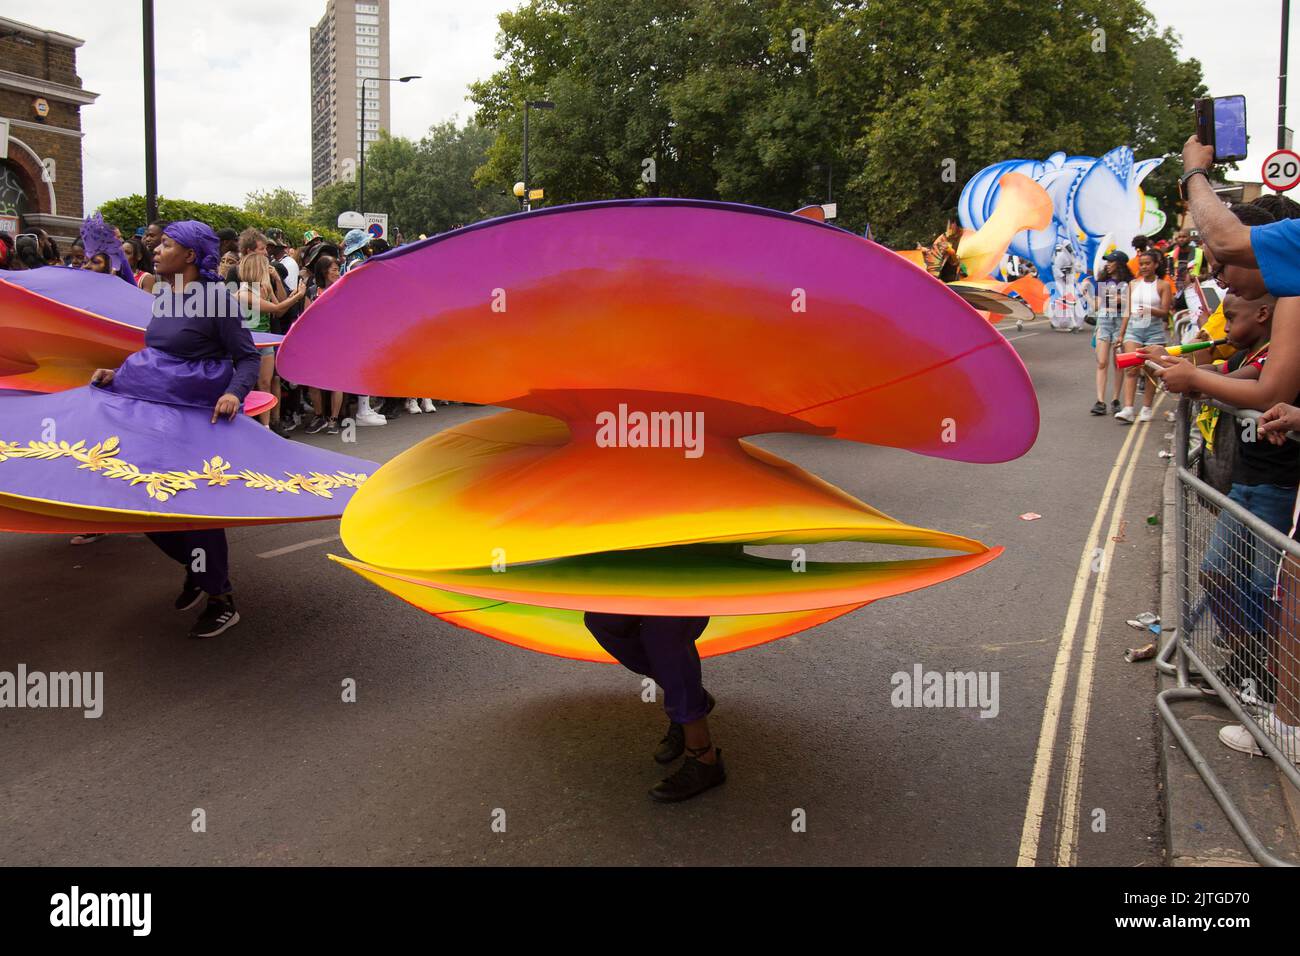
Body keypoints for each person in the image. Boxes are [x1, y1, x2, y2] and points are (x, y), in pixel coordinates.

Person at [89, 221, 260, 638]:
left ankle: (221, 598)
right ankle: (196, 566)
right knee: (139, 498)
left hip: (194, 418)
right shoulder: (164, 296)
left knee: (195, 507)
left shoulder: (217, 299)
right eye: (159, 243)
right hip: (149, 412)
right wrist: (118, 375)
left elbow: (248, 358)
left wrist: (235, 394)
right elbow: (159, 355)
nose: (157, 250)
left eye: (167, 245)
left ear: (189, 256)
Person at [1155, 294, 1294, 704]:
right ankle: (1248, 655)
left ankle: (1266, 670)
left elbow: (1248, 384)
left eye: (1231, 317)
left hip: (1279, 490)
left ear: (1264, 314)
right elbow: (1218, 370)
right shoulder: (1249, 352)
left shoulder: (1277, 356)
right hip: (1244, 485)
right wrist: (1169, 361)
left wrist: (1194, 378)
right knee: (1216, 573)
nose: (1225, 326)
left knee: (1265, 588)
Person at [583, 610, 724, 802]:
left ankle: (703, 756)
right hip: (644, 581)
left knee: (665, 636)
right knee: (602, 621)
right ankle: (690, 700)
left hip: (690, 584)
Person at [231, 250, 305, 432]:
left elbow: (279, 311)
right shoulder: (242, 294)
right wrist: (297, 296)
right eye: (265, 266)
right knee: (246, 384)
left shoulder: (265, 288)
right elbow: (277, 307)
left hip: (265, 342)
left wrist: (278, 281)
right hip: (247, 343)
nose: (268, 269)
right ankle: (245, 425)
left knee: (265, 383)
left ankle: (265, 426)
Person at [1114, 250, 1173, 423]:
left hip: (1154, 331)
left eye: (1148, 263)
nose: (1144, 267)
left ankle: (1147, 407)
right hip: (1134, 330)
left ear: (1155, 265)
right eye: (1141, 264)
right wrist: (1121, 334)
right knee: (1131, 368)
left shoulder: (1163, 285)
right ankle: (1128, 409)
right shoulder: (1133, 284)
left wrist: (1149, 310)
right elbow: (1127, 310)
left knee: (1150, 371)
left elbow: (1165, 312)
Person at [340, 228, 389, 427]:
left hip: (358, 318)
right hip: (359, 319)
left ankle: (365, 407)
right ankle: (362, 410)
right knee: (365, 364)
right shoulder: (356, 263)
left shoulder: (351, 262)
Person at [303, 255, 346, 436]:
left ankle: (333, 420)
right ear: (323, 271)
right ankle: (319, 415)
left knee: (336, 381)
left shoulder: (343, 289)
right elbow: (305, 317)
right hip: (316, 342)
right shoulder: (312, 291)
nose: (337, 273)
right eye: (334, 269)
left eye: (338, 269)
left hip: (337, 341)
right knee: (313, 381)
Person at [1091, 254, 1129, 415]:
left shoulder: (1128, 282)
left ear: (1119, 264)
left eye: (1111, 262)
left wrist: (1119, 299)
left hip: (1120, 321)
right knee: (1101, 361)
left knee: (1118, 362)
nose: (1107, 264)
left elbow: (1128, 302)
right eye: (1106, 261)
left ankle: (1115, 399)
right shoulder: (1102, 281)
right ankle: (1100, 401)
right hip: (1104, 320)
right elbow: (1097, 304)